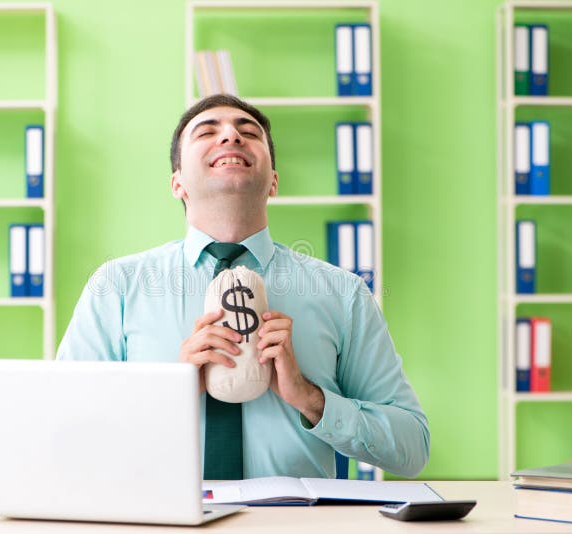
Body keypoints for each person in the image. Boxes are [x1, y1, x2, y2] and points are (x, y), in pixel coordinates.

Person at [57, 94, 429, 479]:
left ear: (273, 182)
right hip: (158, 521)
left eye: (248, 132)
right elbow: (63, 428)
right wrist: (168, 393)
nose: (231, 136)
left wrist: (310, 399)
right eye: (208, 131)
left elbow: (413, 447)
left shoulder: (343, 293)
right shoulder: (116, 287)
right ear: (177, 182)